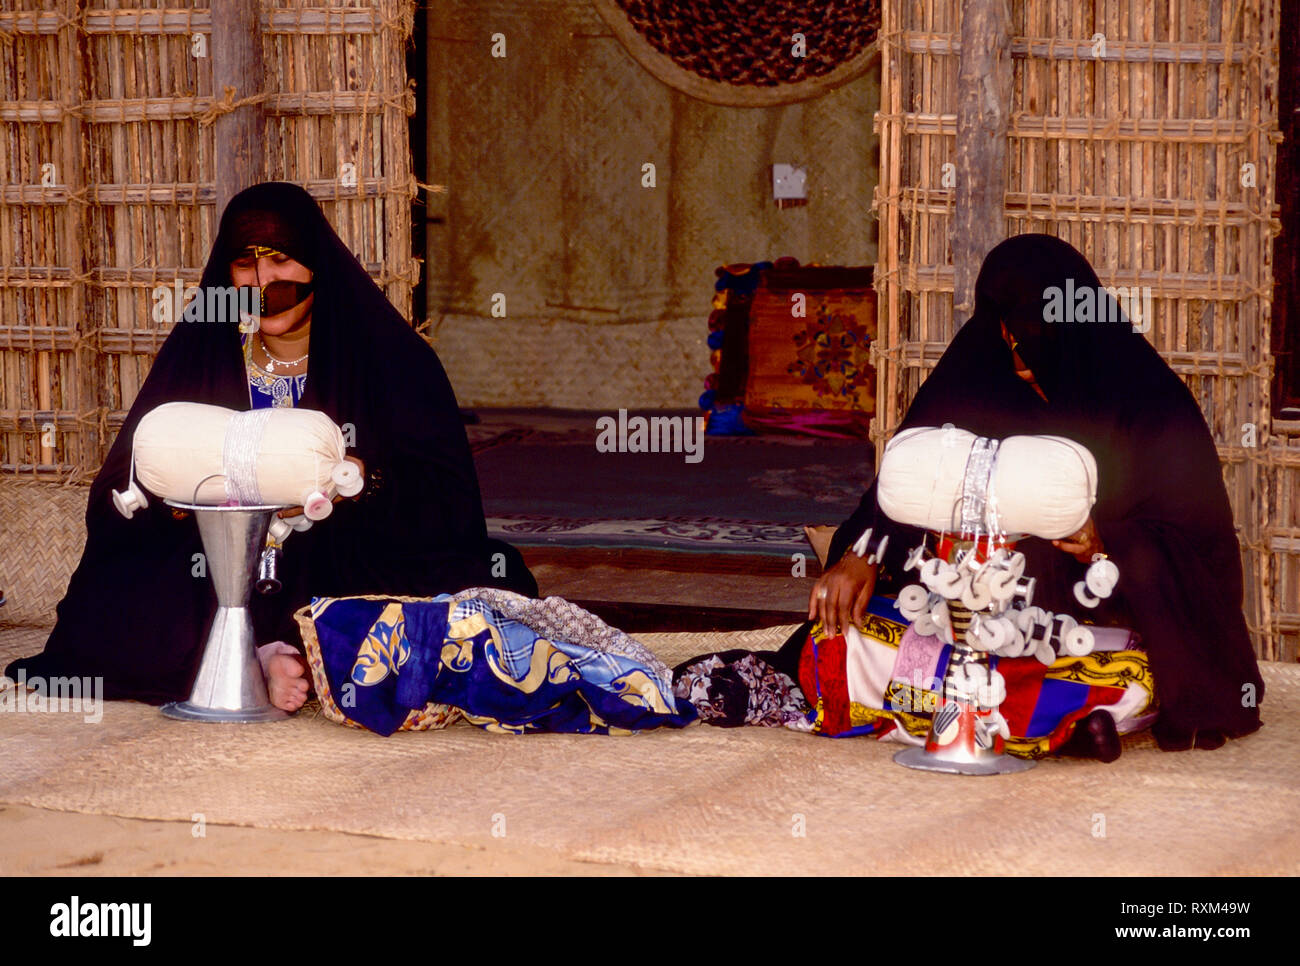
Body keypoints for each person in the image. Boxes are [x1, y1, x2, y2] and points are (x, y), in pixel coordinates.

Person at [4, 181, 537, 710]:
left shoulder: (392, 359)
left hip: (342, 552)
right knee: (111, 597)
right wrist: (181, 498)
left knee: (483, 585)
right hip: (217, 562)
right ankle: (267, 652)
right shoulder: (204, 354)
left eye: (281, 259)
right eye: (245, 264)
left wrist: (361, 482)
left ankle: (255, 650)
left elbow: (446, 501)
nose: (264, 281)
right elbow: (120, 487)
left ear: (315, 264)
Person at [806, 233, 1264, 753]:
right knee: (847, 637)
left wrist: (1104, 542)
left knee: (1139, 673)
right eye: (1006, 328)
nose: (1016, 352)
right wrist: (864, 553)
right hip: (979, 621)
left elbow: (1196, 554)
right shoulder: (983, 365)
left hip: (1097, 621)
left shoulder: (1151, 404)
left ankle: (1048, 714)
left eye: (1034, 335)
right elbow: (914, 477)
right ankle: (1055, 722)